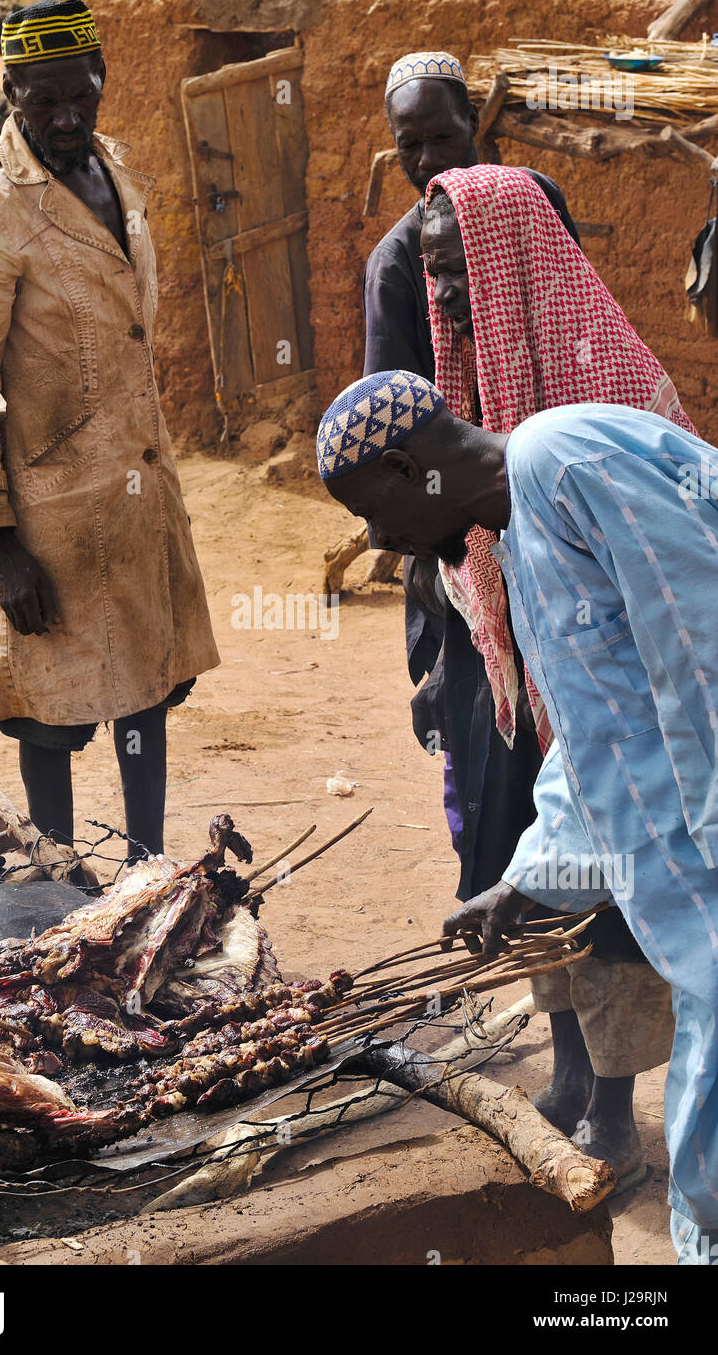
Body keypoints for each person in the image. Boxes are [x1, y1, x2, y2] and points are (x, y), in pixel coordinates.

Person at [316, 371, 718, 1262]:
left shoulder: (566, 457)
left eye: (370, 514)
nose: (377, 541)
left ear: (401, 467)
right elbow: (593, 740)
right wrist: (530, 878)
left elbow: (704, 637)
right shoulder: (518, 545)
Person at [0, 0, 219, 861]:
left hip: (140, 498)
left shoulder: (117, 174)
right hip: (49, 518)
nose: (62, 119)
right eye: (40, 101)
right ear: (11, 91)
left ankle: (147, 873)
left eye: (77, 98)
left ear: (100, 81)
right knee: (48, 716)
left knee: (146, 694)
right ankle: (57, 878)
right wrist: (1, 546)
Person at [363, 53, 579, 919]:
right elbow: (392, 449)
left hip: (559, 526)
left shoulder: (532, 205)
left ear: (475, 128)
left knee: (576, 746)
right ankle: (520, 953)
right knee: (493, 756)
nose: (427, 161)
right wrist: (442, 569)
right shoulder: (397, 265)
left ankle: (586, 980)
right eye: (408, 145)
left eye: (443, 137)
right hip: (465, 544)